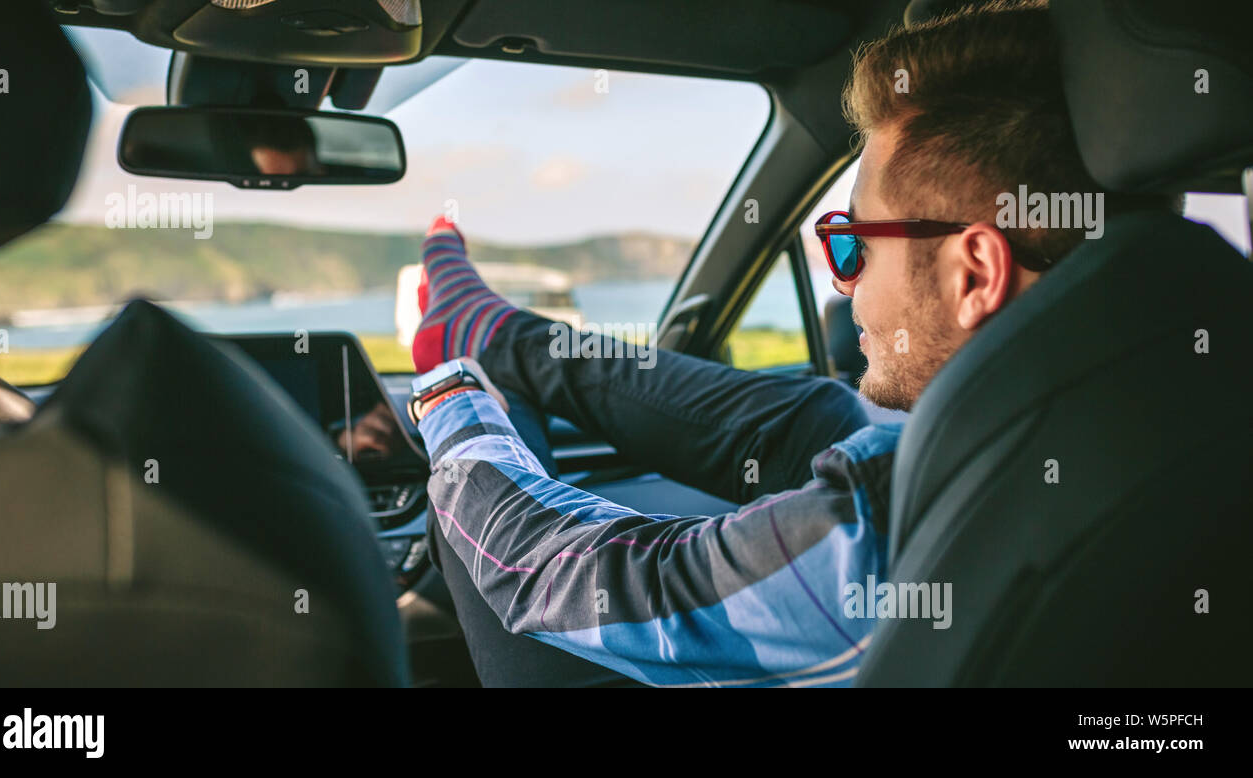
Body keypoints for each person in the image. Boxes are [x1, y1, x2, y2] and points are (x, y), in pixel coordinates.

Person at [405, 0, 1175, 687]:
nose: (843, 283)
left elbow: (582, 579)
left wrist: (450, 399)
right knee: (819, 413)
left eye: (852, 244)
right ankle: (496, 331)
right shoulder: (1188, 367)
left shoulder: (892, 520)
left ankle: (467, 343)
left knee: (479, 503)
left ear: (973, 272)